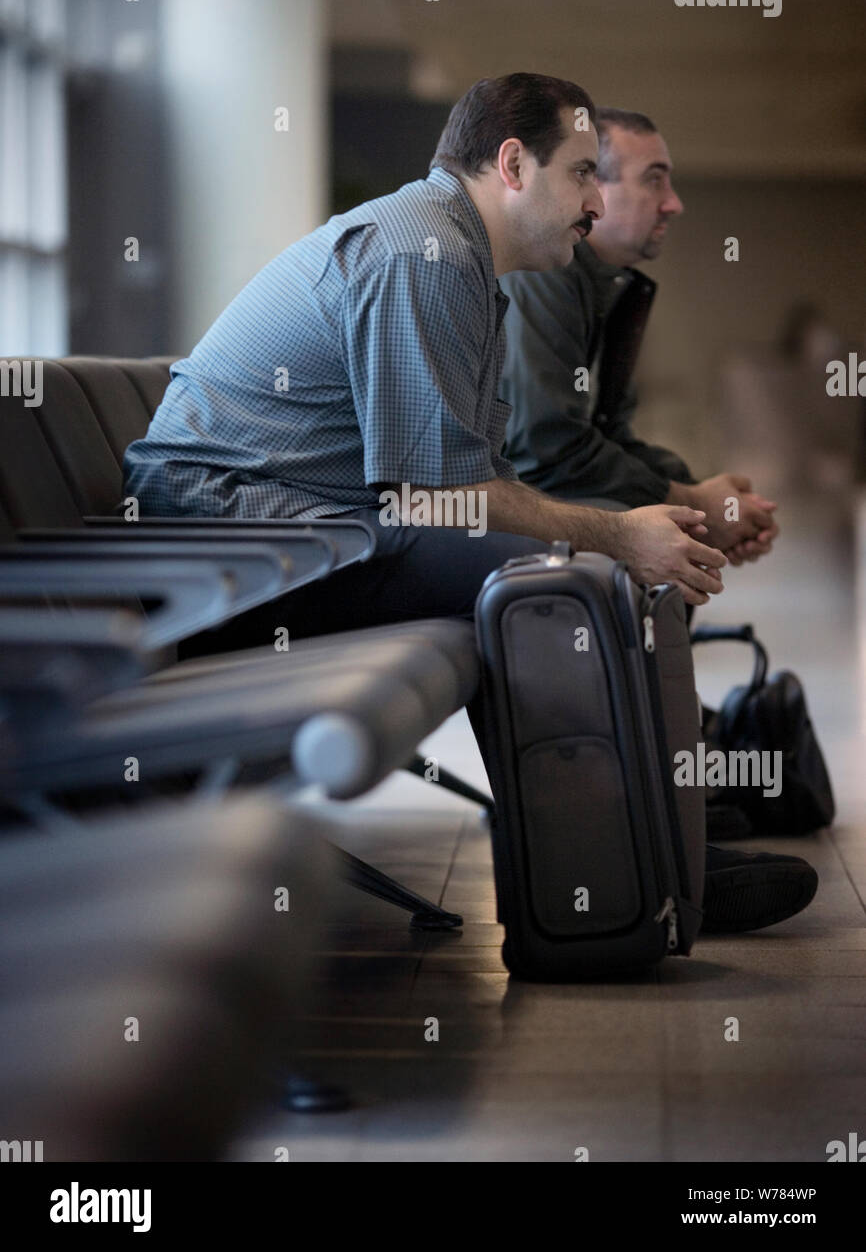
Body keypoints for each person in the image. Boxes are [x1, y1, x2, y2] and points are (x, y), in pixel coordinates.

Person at [124, 75, 816, 933]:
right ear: (513, 164)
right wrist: (614, 533)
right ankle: (620, 882)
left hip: (292, 538)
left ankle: (650, 859)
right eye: (582, 175)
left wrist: (614, 535)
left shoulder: (458, 259)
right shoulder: (426, 251)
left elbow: (465, 485)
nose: (598, 202)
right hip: (237, 558)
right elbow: (438, 496)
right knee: (553, 578)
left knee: (560, 572)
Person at [500, 108, 779, 566]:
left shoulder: (610, 285)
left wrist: (710, 504)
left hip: (528, 488)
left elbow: (609, 435)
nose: (674, 202)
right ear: (594, 189)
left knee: (676, 522)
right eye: (654, 180)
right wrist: (698, 505)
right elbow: (546, 448)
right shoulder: (544, 272)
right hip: (481, 504)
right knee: (660, 533)